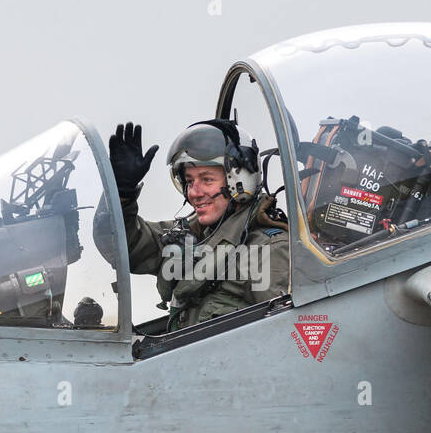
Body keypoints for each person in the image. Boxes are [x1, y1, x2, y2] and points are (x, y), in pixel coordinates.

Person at [94, 120, 290, 331]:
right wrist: (121, 194)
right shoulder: (191, 236)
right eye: (189, 181)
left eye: (207, 180)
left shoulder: (269, 250)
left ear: (240, 181)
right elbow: (123, 247)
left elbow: (282, 337)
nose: (194, 193)